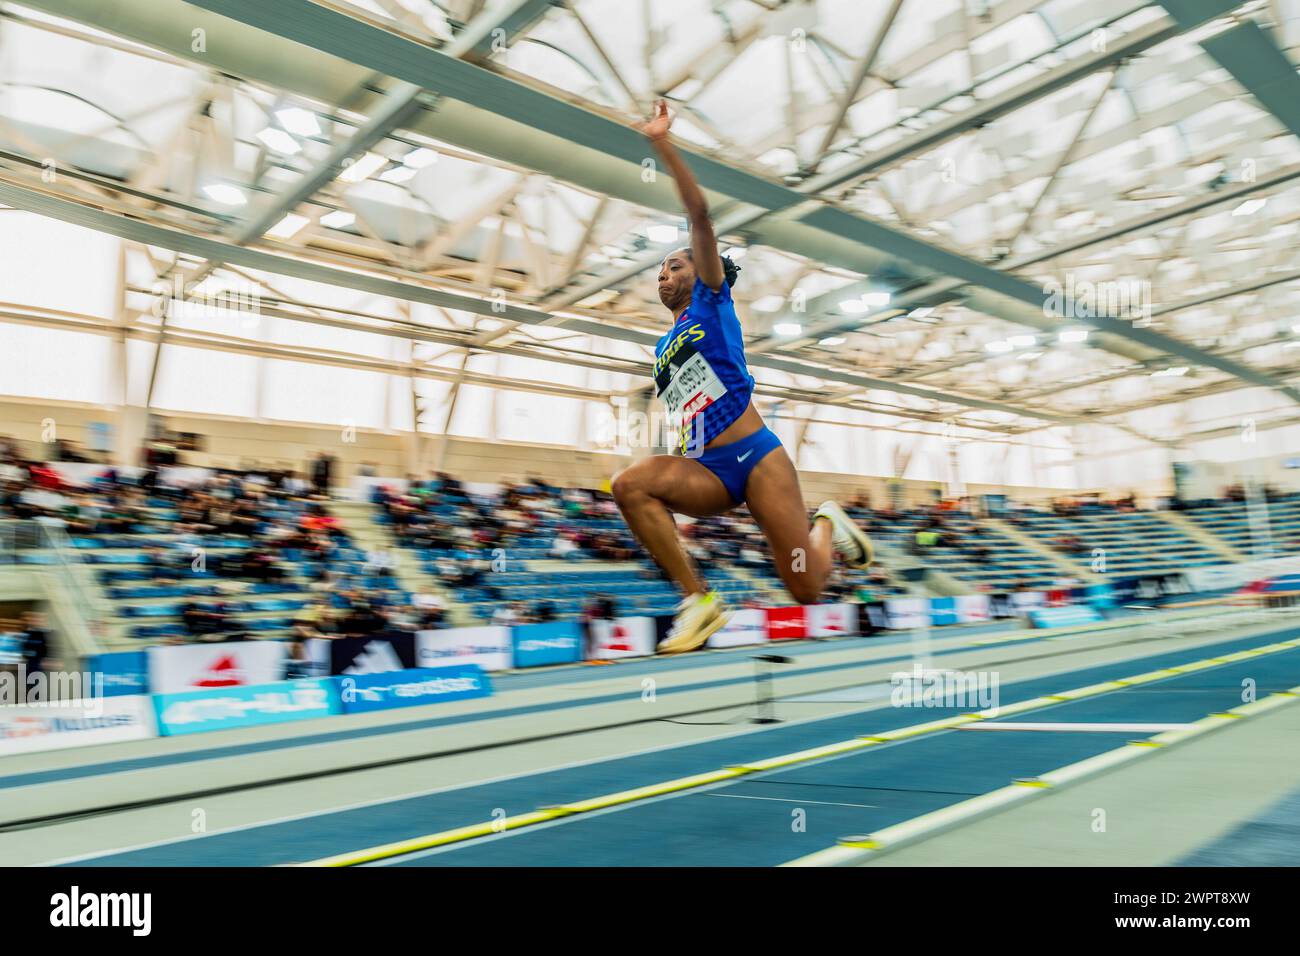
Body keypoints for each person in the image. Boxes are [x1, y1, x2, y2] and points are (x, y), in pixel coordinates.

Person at [610, 101, 873, 654]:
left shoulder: (712, 300)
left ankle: (825, 524)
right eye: (660, 270)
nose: (664, 273)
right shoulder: (663, 344)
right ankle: (698, 601)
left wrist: (662, 144)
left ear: (701, 273)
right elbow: (689, 402)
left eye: (674, 265)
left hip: (756, 458)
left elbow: (699, 215)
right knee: (630, 484)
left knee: (805, 588)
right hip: (707, 468)